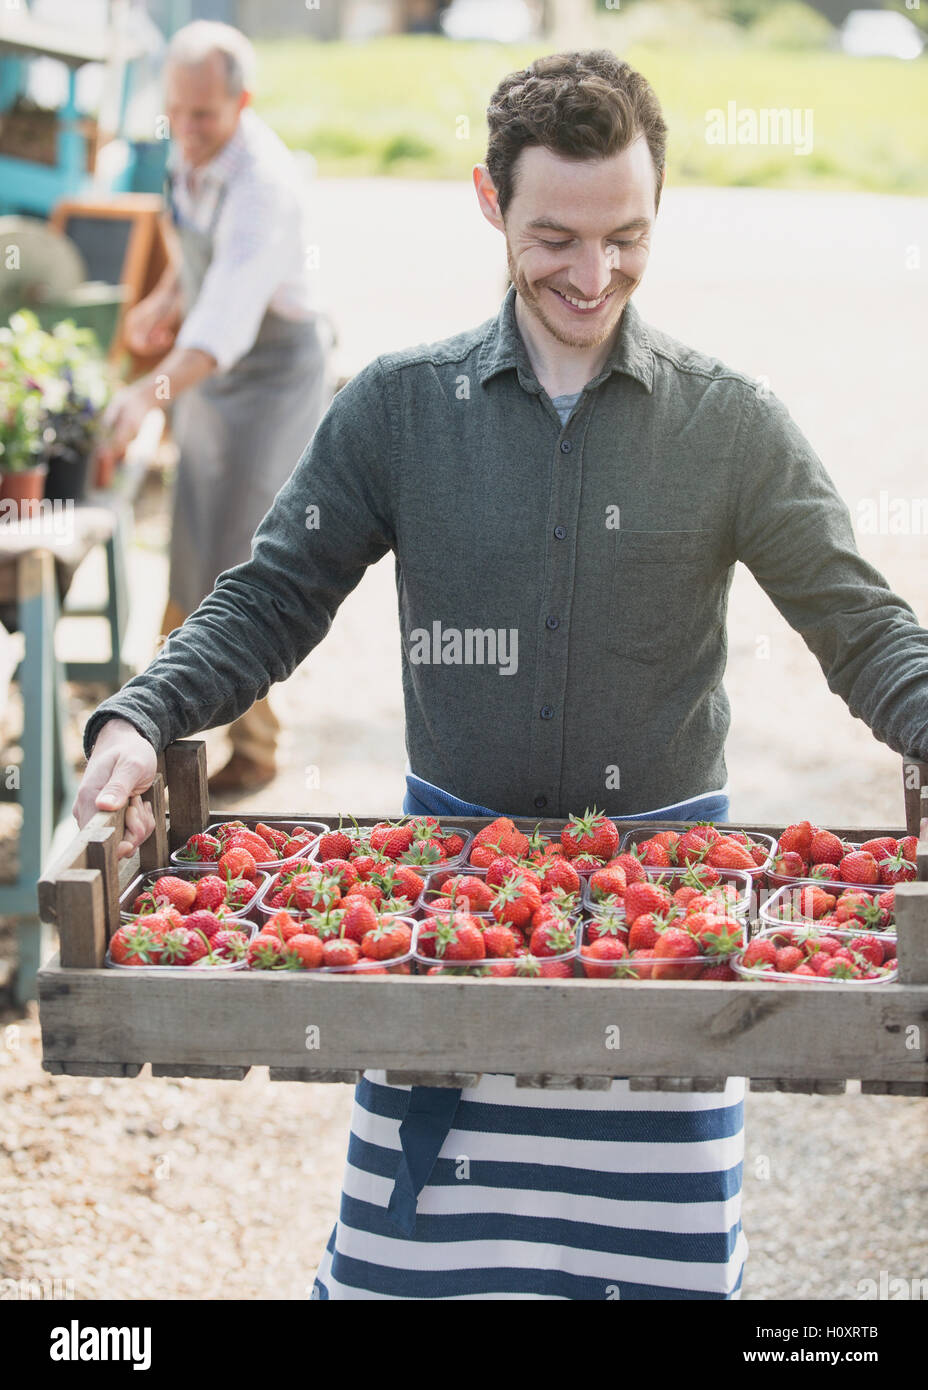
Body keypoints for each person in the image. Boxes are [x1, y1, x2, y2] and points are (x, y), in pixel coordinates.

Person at [74, 50, 928, 1298]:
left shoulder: (729, 421)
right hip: (441, 924)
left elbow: (862, 626)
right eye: (555, 238)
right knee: (405, 1274)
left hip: (671, 943)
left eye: (626, 238)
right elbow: (272, 594)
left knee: (665, 1278)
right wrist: (145, 716)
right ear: (488, 200)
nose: (593, 276)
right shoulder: (399, 409)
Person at [98, 20, 334, 793]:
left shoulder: (263, 186)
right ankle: (176, 723)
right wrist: (166, 299)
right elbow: (187, 242)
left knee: (243, 551)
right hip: (206, 370)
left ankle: (259, 748)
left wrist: (144, 390)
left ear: (243, 100)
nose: (188, 132)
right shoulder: (188, 141)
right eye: (178, 113)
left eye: (204, 116)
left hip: (267, 377)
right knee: (194, 533)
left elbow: (226, 327)